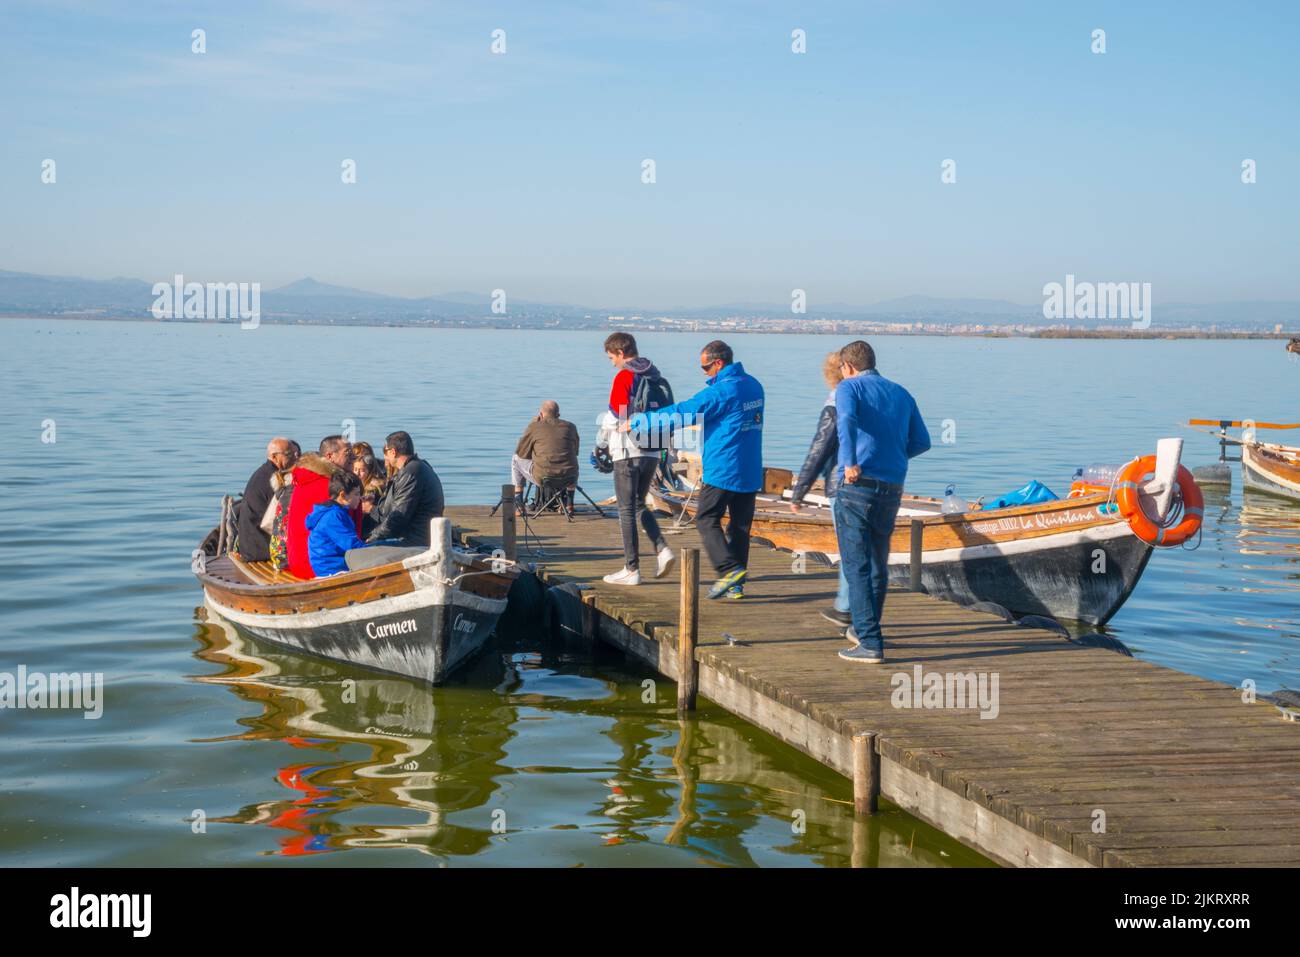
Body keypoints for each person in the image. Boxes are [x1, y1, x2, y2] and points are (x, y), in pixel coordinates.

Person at [625, 340, 763, 599]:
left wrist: (640, 420)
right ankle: (736, 585)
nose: (704, 373)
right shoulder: (754, 385)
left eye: (705, 367)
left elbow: (683, 413)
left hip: (724, 468)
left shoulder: (722, 392)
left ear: (718, 363)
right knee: (740, 527)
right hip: (750, 469)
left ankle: (729, 569)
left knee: (706, 519)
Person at [833, 340, 931, 664]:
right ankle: (866, 630)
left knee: (856, 566)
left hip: (857, 485)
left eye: (840, 370)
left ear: (848, 367)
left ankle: (870, 642)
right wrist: (894, 458)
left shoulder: (850, 388)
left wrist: (849, 462)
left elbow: (845, 422)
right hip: (892, 486)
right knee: (877, 565)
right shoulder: (902, 393)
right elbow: (922, 441)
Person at [596, 333, 675, 585]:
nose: (612, 363)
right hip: (652, 450)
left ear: (621, 352)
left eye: (611, 358)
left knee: (625, 509)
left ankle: (631, 569)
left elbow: (617, 415)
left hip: (628, 451)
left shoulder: (625, 376)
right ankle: (662, 549)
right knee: (639, 504)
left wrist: (601, 440)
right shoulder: (655, 375)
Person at [790, 353, 851, 626]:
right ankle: (860, 610)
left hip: (843, 485)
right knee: (870, 551)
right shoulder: (874, 400)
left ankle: (846, 607)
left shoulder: (835, 404)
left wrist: (799, 491)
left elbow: (819, 449)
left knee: (850, 548)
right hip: (882, 482)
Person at [286, 435, 361, 579]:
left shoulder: (308, 478)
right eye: (347, 452)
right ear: (330, 456)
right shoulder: (330, 486)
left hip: (299, 560)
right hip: (320, 566)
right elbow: (348, 536)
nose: (353, 456)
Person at [366, 431, 445, 548]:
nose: (385, 456)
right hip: (416, 536)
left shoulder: (411, 473)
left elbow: (398, 518)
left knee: (360, 551)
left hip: (415, 541)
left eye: (386, 452)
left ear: (393, 452)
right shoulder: (418, 466)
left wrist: (371, 538)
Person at [510, 400, 580, 511]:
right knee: (570, 461)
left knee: (515, 459)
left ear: (541, 414)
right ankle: (569, 503)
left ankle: (519, 504)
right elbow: (575, 451)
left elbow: (522, 453)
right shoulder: (571, 427)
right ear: (558, 415)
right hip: (570, 478)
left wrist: (532, 425)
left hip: (544, 478)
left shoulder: (534, 427)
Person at [235, 437, 296, 562]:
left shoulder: (264, 471)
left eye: (295, 454)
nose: (295, 458)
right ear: (274, 457)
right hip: (260, 550)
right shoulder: (274, 478)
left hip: (250, 545)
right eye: (289, 454)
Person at [305, 470, 371, 577]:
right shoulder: (333, 516)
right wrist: (375, 550)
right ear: (343, 495)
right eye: (356, 494)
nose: (360, 498)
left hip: (331, 564)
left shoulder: (336, 512)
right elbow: (351, 545)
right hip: (332, 568)